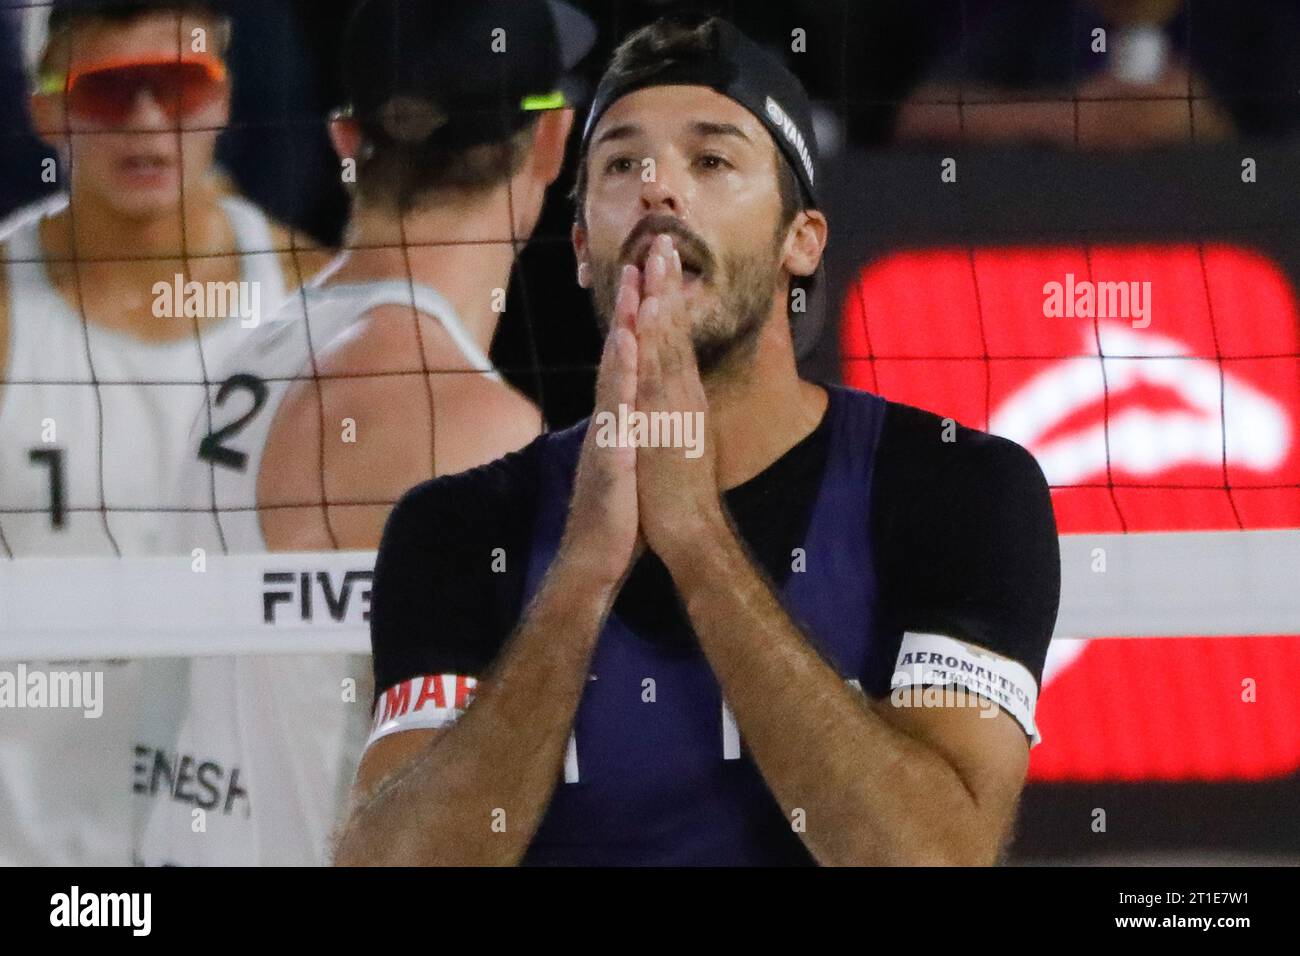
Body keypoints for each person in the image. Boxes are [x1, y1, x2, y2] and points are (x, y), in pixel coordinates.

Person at [337, 15, 1061, 867]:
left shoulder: (956, 491)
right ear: (579, 248)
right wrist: (581, 576)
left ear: (803, 241)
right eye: (620, 163)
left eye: (711, 160)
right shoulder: (456, 528)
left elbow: (932, 858)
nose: (659, 190)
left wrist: (697, 541)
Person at [133, 0, 595, 865]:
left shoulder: (250, 348)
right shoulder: (470, 427)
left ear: (347, 139)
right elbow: (486, 812)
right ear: (552, 142)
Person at [0, 0, 313, 865]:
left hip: (246, 839)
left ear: (223, 99)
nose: (145, 120)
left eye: (177, 85)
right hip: (32, 844)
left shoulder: (312, 296)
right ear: (46, 111)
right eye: (108, 93)